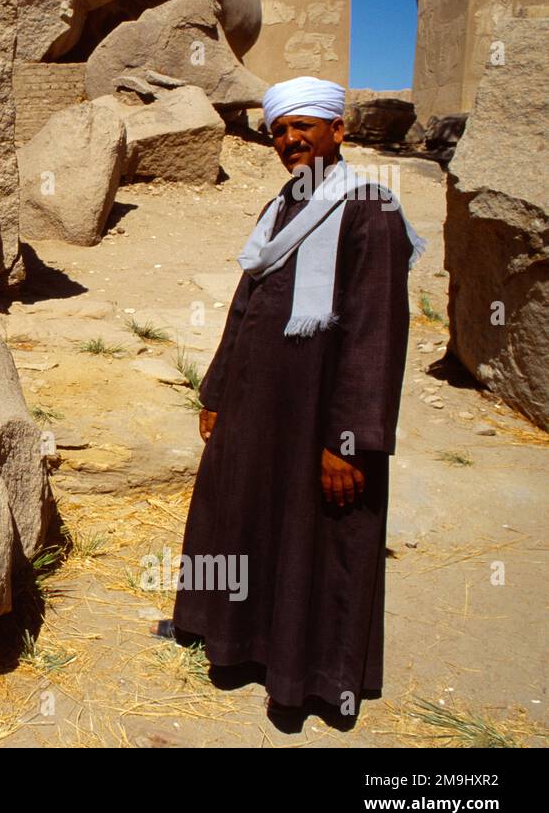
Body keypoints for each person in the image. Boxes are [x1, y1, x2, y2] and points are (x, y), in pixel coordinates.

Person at [171, 76, 428, 722]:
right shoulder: (280, 206)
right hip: (259, 409)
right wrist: (218, 390)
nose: (288, 140)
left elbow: (376, 336)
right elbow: (247, 305)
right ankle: (241, 647)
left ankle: (308, 677)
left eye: (302, 128)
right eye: (280, 130)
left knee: (316, 538)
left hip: (320, 417)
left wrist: (348, 441)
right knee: (250, 519)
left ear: (337, 131)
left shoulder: (371, 210)